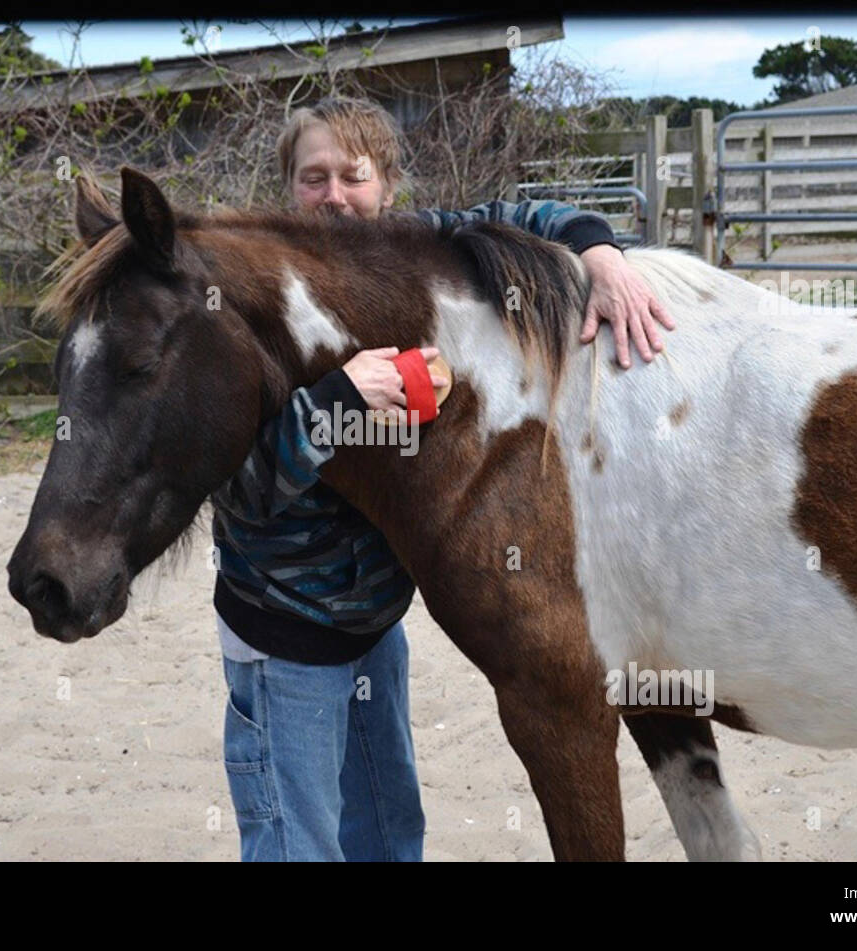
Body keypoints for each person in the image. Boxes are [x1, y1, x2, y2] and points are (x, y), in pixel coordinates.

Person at [210, 96, 674, 861]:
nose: (332, 196)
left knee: (390, 833)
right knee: (298, 841)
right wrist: (333, 404)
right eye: (312, 176)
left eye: (351, 176)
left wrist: (599, 252)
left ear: (387, 187)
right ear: (288, 190)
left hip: (372, 629)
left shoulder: (406, 252)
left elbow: (519, 213)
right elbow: (241, 492)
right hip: (283, 633)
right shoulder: (262, 302)